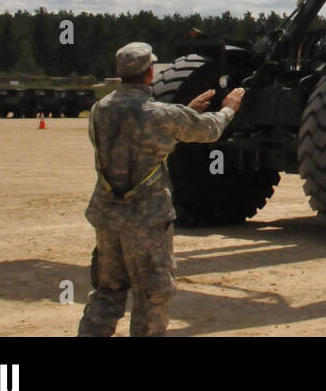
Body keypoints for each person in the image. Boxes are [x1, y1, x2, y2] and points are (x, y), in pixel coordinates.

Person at [77, 42, 244, 337]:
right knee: (153, 294)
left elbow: (134, 140)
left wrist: (184, 112)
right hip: (147, 221)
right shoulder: (159, 115)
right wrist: (228, 110)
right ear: (150, 72)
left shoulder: (100, 109)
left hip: (107, 217)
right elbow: (210, 130)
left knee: (108, 290)